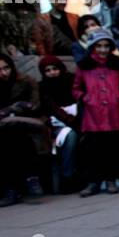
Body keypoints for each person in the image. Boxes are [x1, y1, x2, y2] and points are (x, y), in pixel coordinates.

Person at [74, 29, 119, 196]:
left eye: (106, 46)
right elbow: (76, 88)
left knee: (112, 148)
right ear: (93, 47)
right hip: (93, 113)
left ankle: (111, 180)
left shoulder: (117, 64)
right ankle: (93, 182)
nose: (103, 50)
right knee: (93, 149)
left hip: (115, 112)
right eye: (99, 46)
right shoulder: (84, 65)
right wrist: (86, 97)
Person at [0, 52, 47, 206]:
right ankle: (22, 182)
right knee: (7, 137)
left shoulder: (25, 81)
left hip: (25, 123)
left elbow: (35, 104)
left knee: (16, 133)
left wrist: (16, 109)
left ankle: (19, 185)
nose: (3, 73)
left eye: (6, 68)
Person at [37, 55, 80, 193]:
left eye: (54, 69)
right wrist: (71, 121)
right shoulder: (43, 87)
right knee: (71, 137)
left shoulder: (71, 80)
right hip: (58, 125)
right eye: (47, 70)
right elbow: (51, 108)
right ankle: (68, 176)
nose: (52, 73)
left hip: (79, 118)